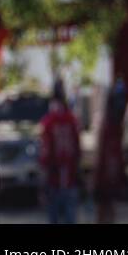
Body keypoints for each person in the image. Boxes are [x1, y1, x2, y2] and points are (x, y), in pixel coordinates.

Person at [39, 80, 82, 224]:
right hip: (69, 176)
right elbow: (77, 149)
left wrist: (42, 182)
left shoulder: (48, 122)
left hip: (54, 177)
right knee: (70, 217)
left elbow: (45, 153)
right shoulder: (72, 120)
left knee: (54, 217)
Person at [93, 78, 127, 224]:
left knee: (106, 206)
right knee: (106, 206)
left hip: (108, 171)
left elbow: (105, 152)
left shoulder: (111, 127)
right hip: (108, 170)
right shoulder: (111, 127)